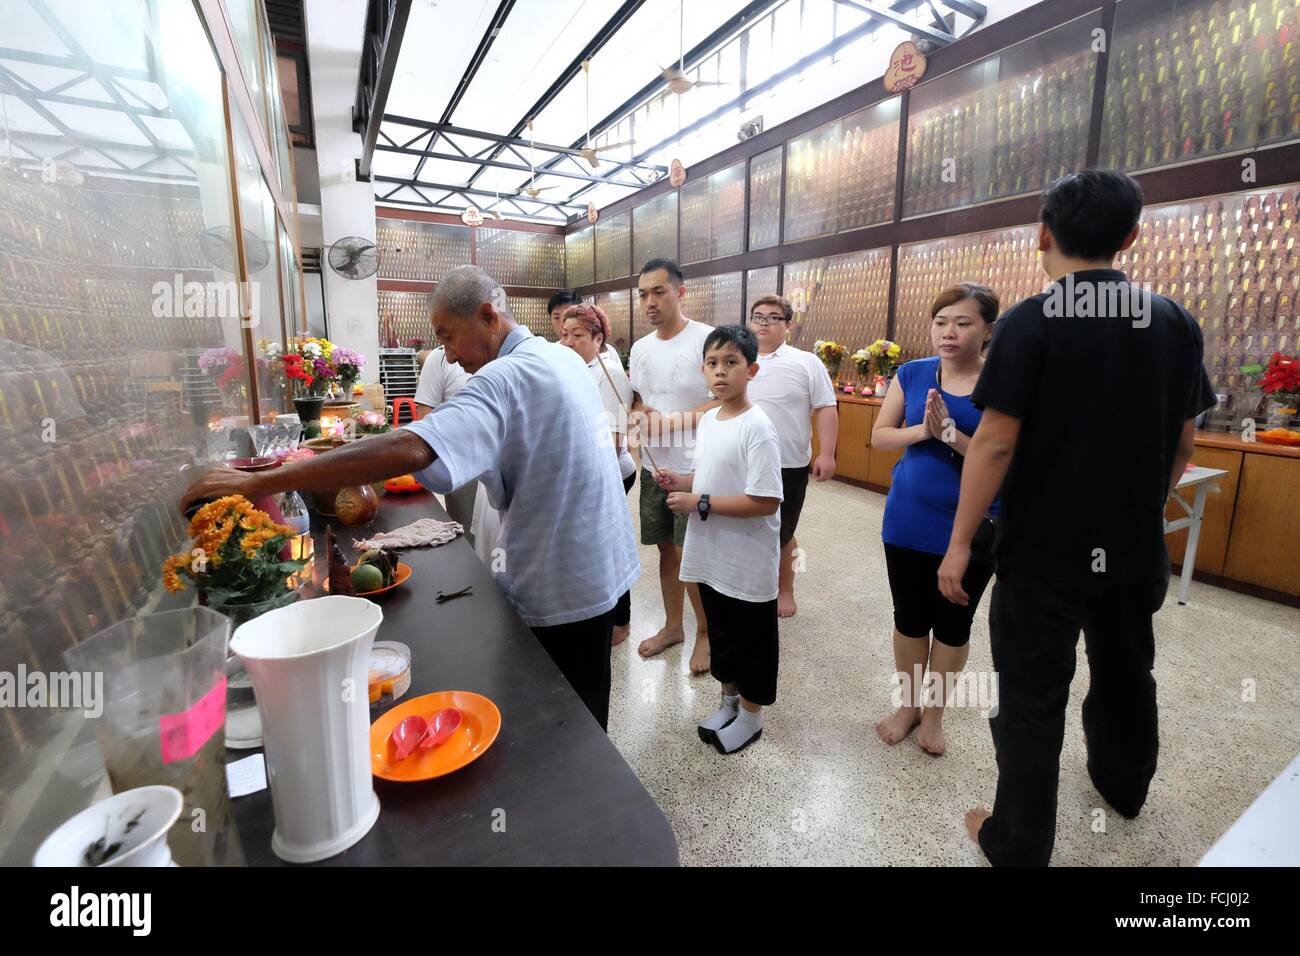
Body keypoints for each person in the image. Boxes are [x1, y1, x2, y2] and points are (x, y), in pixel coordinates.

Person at [182, 266, 639, 731]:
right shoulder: (556, 356)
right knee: (585, 714)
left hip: (560, 583)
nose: (450, 357)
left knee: (560, 724)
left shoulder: (507, 376)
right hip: (597, 571)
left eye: (447, 337)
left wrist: (262, 481)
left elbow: (413, 445)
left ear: (487, 316)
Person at [937, 170, 1217, 865]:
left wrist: (961, 541)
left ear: (1043, 234)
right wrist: (1141, 503)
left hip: (1043, 551)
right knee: (1127, 670)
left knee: (1032, 692)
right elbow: (1185, 440)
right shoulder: (1174, 320)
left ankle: (1017, 842)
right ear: (1130, 237)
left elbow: (996, 441)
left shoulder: (1032, 322)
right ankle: (1123, 787)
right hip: (1132, 549)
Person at [871, 283, 1000, 756]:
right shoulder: (912, 372)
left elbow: (1003, 460)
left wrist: (951, 435)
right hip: (908, 518)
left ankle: (935, 714)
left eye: (963, 323)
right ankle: (907, 706)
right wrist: (923, 429)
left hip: (971, 526)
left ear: (986, 329)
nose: (949, 332)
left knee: (953, 623)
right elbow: (881, 436)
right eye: (941, 321)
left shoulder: (1000, 384)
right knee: (909, 619)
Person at [654, 325, 782, 754]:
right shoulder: (709, 419)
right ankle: (728, 702)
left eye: (731, 362)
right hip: (712, 557)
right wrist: (681, 481)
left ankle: (750, 715)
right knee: (722, 634)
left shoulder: (758, 426)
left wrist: (699, 501)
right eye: (712, 363)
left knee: (752, 641)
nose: (720, 372)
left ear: (752, 370)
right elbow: (708, 477)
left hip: (746, 562)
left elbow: (765, 501)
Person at [629, 258, 719, 674]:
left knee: (692, 552)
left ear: (681, 292)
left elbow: (726, 397)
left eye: (658, 292)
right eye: (643, 293)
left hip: (698, 465)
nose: (649, 301)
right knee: (667, 549)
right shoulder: (641, 347)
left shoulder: (707, 341)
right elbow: (637, 398)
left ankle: (705, 632)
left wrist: (675, 422)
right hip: (654, 465)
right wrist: (639, 414)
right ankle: (672, 626)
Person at [745, 294, 839, 618]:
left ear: (788, 324)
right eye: (758, 317)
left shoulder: (806, 362)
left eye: (773, 318)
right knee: (746, 527)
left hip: (789, 464)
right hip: (743, 462)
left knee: (784, 533)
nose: (764, 323)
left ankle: (786, 588)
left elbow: (826, 407)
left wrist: (827, 453)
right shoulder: (739, 359)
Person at [560, 302, 637, 646]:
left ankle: (621, 621)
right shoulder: (568, 367)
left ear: (598, 338)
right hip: (584, 474)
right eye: (564, 334)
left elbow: (616, 441)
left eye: (578, 335)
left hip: (612, 473)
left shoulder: (609, 372)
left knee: (610, 545)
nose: (569, 341)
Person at [414, 344, 475, 542]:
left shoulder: (506, 356)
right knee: (465, 535)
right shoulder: (440, 358)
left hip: (505, 465)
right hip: (461, 464)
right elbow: (426, 415)